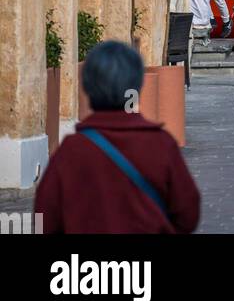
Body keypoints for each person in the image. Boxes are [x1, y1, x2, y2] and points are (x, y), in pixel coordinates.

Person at [35, 41, 200, 234]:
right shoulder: (160, 145)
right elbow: (188, 214)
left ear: (88, 88)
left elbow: (45, 218)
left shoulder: (71, 151)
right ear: (136, 87)